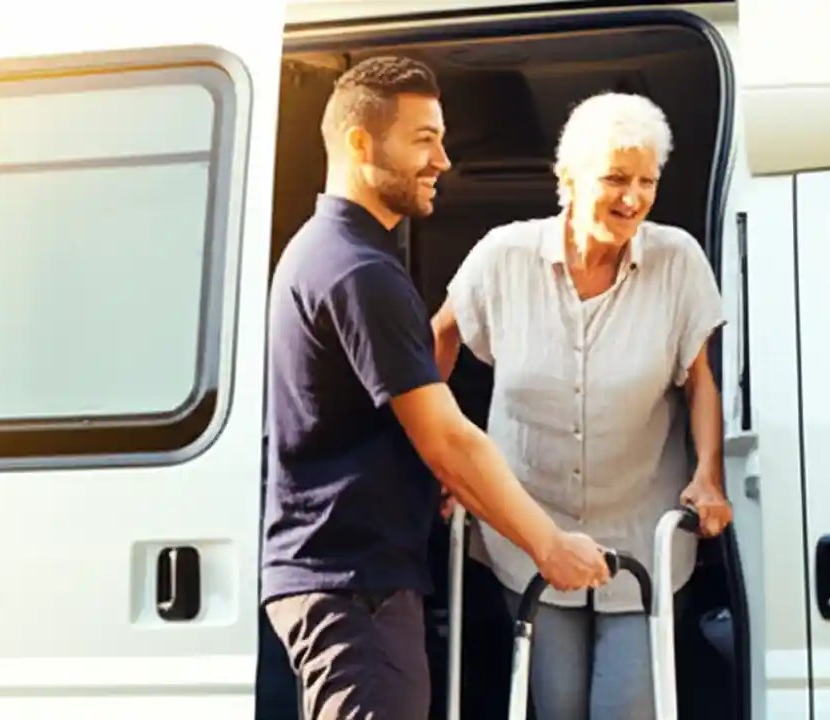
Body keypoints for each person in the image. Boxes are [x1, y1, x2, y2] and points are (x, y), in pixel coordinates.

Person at [260, 56, 613, 720]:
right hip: (352, 589)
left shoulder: (329, 253)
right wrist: (549, 544)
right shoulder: (356, 270)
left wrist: (432, 479)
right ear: (362, 144)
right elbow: (448, 437)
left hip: (345, 585)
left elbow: (378, 425)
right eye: (423, 138)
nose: (444, 160)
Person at [431, 92, 733, 719]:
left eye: (647, 181)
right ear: (567, 179)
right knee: (557, 705)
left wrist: (709, 475)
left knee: (626, 707)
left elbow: (700, 379)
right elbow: (440, 339)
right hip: (531, 526)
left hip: (641, 526)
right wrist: (441, 465)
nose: (633, 198)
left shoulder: (678, 262)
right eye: (616, 178)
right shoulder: (503, 257)